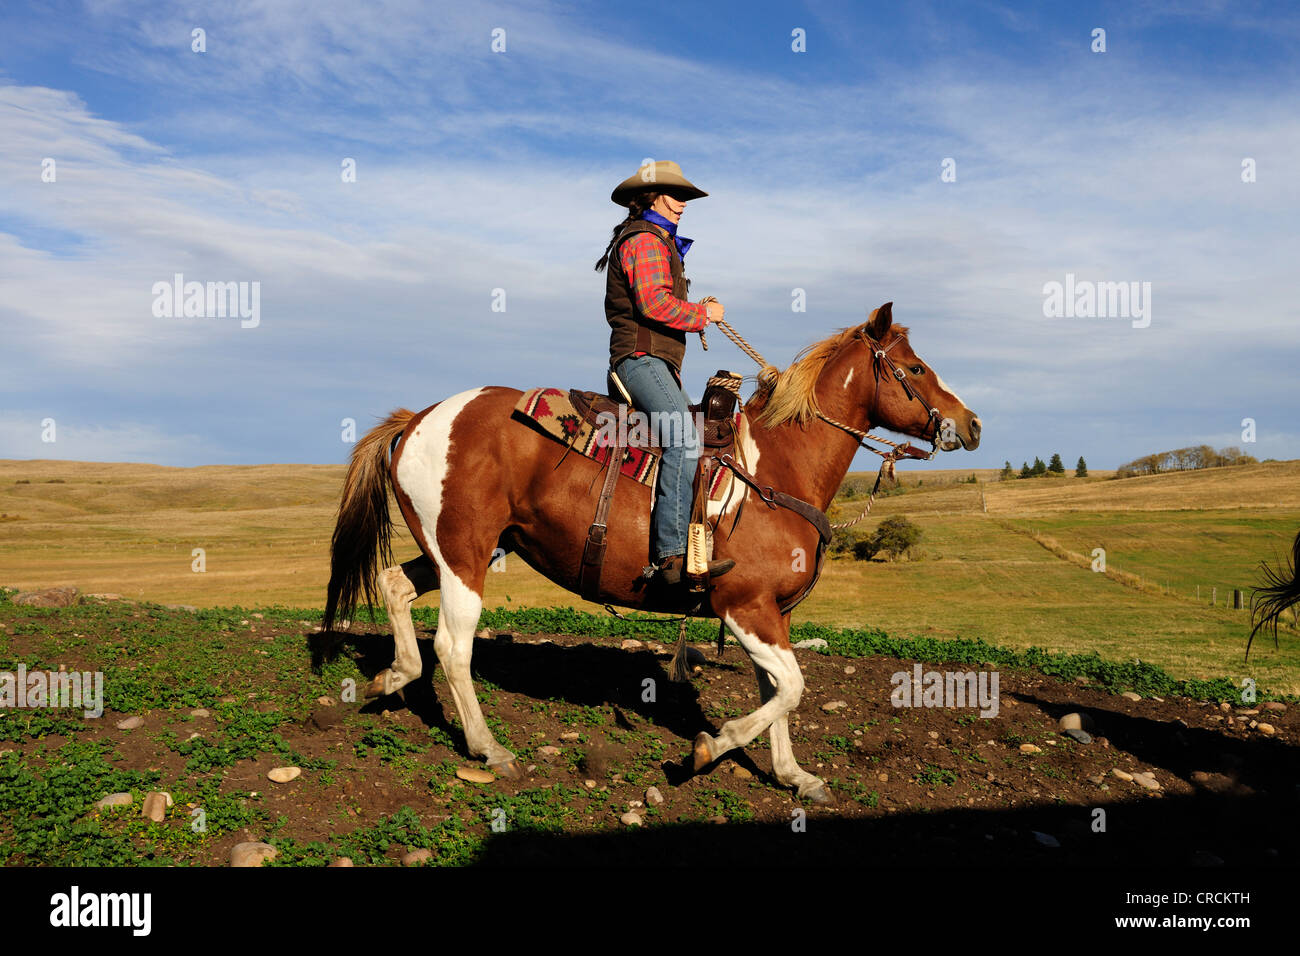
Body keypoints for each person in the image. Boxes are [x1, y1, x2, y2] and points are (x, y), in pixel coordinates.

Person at [594, 160, 735, 586]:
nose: (683, 205)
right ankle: (672, 558)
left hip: (656, 363)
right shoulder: (645, 240)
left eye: (686, 198)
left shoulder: (658, 241)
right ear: (651, 197)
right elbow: (654, 305)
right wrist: (702, 313)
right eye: (677, 196)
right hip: (640, 360)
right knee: (685, 438)